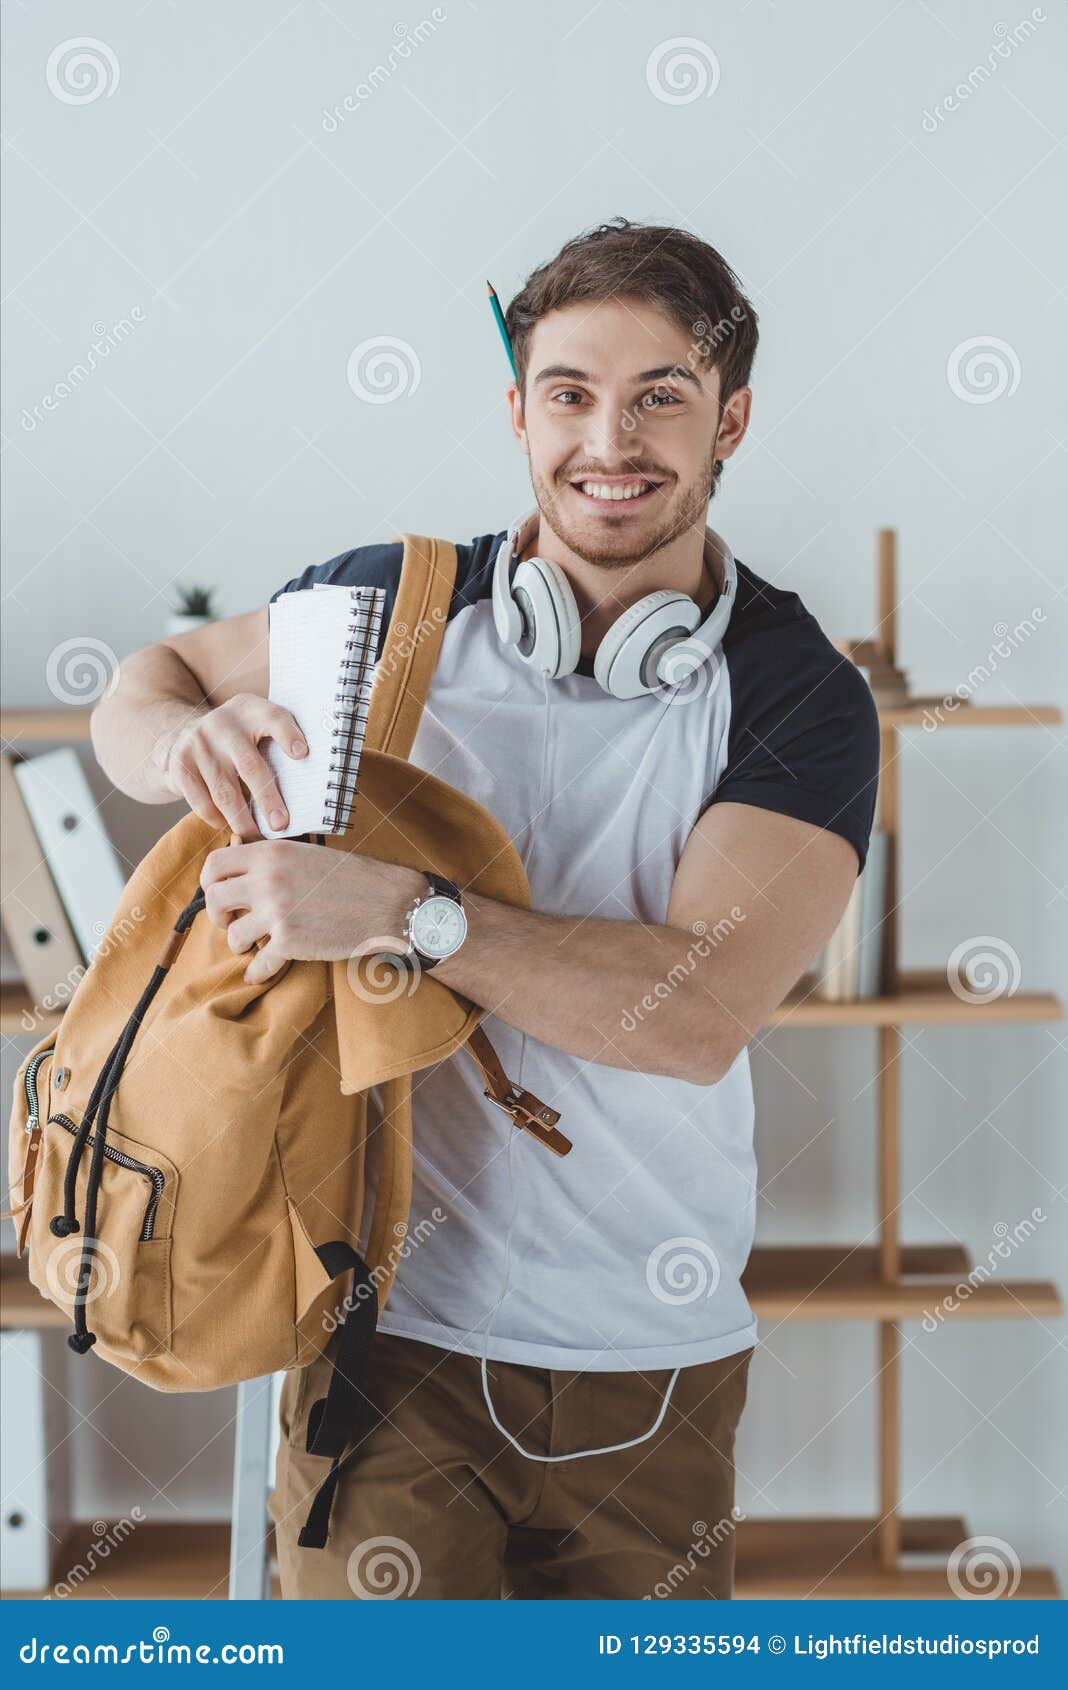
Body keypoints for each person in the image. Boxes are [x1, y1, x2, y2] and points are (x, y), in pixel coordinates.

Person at [90, 219, 880, 1601]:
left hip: (653, 1365)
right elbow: (146, 678)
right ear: (517, 410)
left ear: (731, 420)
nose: (609, 441)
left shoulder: (797, 694)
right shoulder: (393, 611)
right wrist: (179, 751)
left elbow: (691, 1014)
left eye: (661, 398)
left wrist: (405, 909)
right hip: (390, 1349)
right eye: (569, 393)